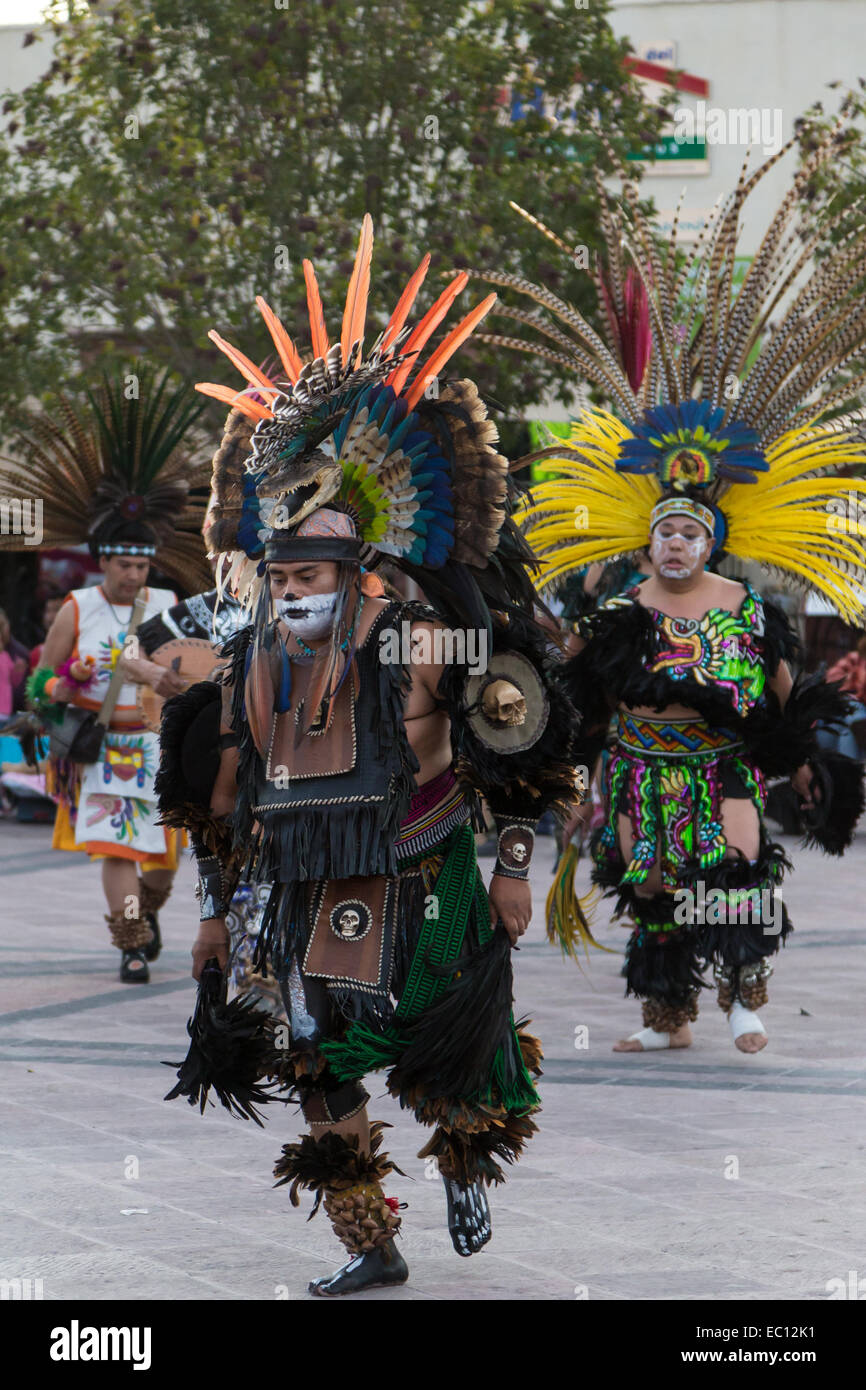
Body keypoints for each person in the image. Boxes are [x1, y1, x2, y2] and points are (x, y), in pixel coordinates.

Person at [157, 218, 578, 1296]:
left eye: (311, 576)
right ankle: (367, 1243)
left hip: (425, 865)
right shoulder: (246, 663)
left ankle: (466, 1169)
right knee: (312, 1060)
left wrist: (516, 866)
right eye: (279, 575)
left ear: (359, 571)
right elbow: (221, 798)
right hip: (304, 882)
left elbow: (522, 747)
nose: (292, 591)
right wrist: (211, 912)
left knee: (454, 1050)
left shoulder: (430, 644)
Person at [469, 132, 866, 1054]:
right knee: (648, 882)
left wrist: (799, 755)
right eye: (664, 532)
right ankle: (667, 1012)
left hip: (719, 762)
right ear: (647, 541)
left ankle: (742, 997)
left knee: (732, 868)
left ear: (712, 540)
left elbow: (777, 697)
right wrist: (552, 726)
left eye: (691, 532)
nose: (677, 542)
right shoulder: (621, 609)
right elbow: (585, 690)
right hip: (640, 767)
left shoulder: (747, 607)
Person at [0, 365, 212, 981]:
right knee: (118, 846)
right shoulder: (77, 608)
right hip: (101, 747)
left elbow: (200, 674)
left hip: (158, 747)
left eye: (140, 566)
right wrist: (61, 686)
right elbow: (40, 681)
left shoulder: (171, 609)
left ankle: (144, 915)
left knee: (163, 860)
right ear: (104, 562)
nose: (132, 575)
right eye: (122, 564)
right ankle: (129, 939)